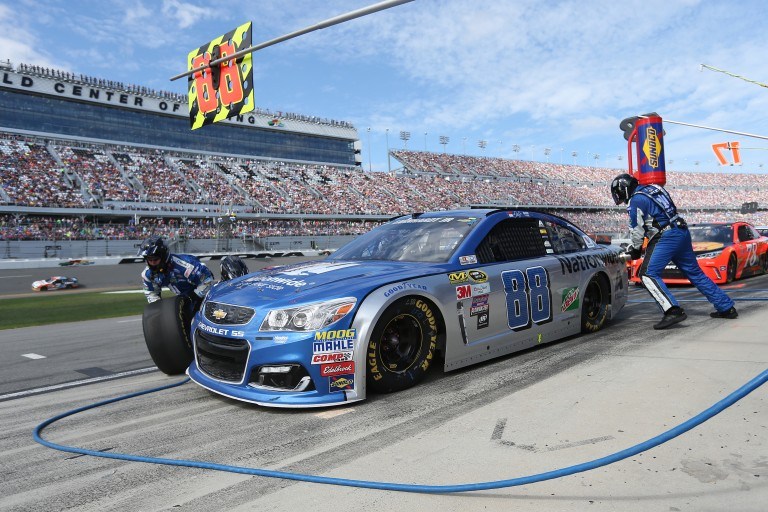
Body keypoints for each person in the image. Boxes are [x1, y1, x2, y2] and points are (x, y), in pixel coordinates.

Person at [610, 174, 737, 330]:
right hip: (681, 231)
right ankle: (726, 307)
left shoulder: (636, 200)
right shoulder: (655, 188)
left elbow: (636, 229)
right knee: (695, 273)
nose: (622, 198)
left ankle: (672, 310)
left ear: (624, 189)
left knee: (647, 274)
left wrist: (636, 249)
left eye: (620, 194)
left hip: (666, 235)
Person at [138, 235, 214, 304]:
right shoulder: (147, 274)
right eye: (149, 260)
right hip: (184, 298)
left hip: (206, 296)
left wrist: (194, 296)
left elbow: (207, 280)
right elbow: (151, 293)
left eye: (155, 259)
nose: (152, 263)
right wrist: (158, 307)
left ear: (163, 256)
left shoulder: (186, 265)